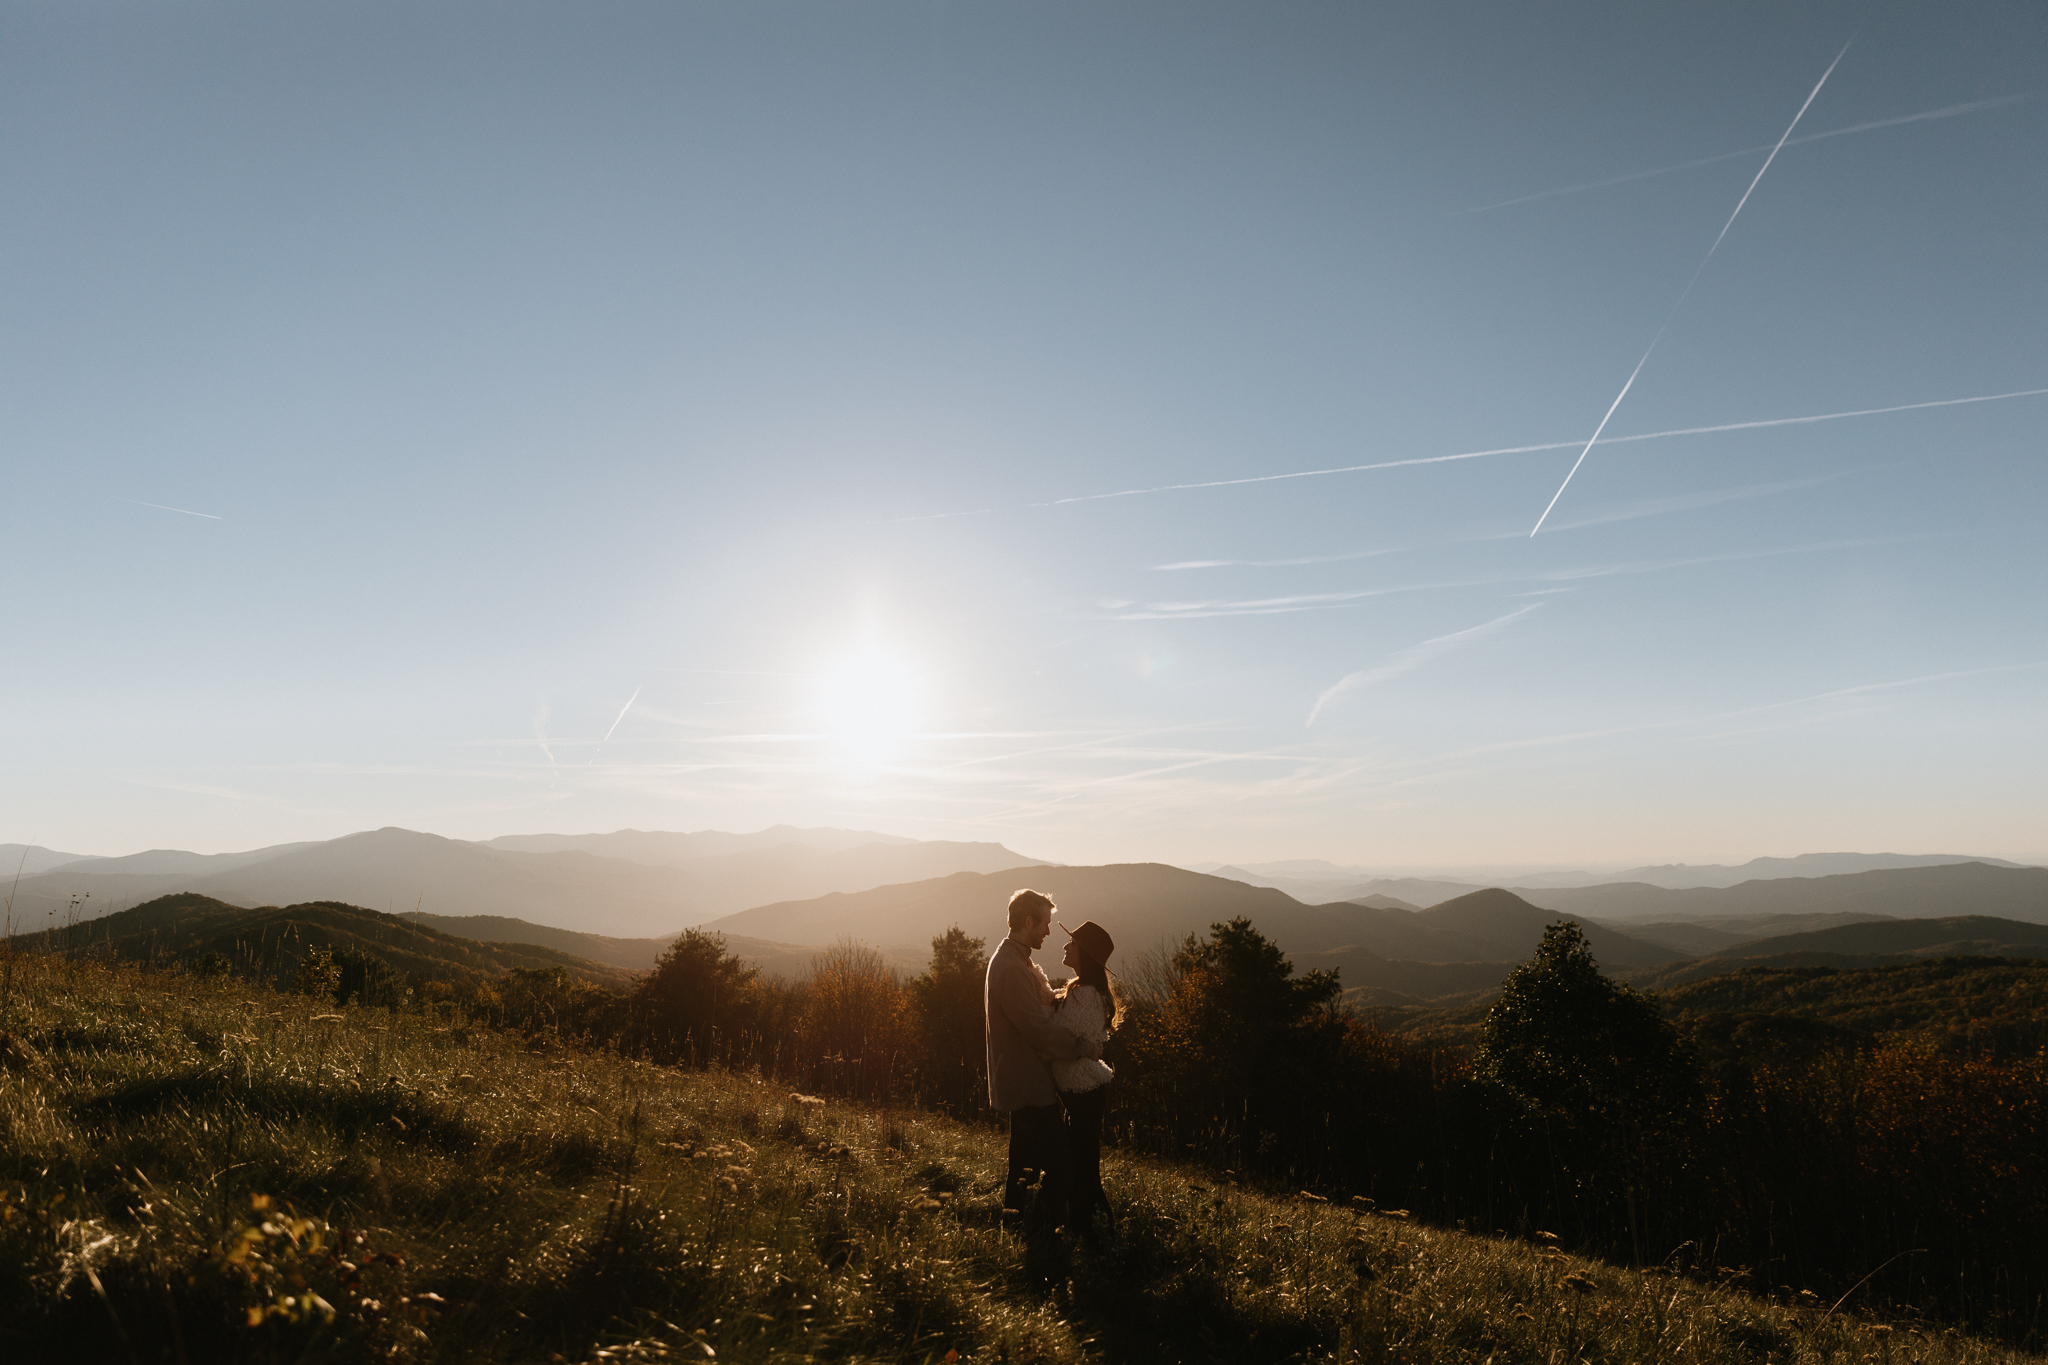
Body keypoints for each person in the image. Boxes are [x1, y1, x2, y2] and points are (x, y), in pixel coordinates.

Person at [984, 888, 1101, 1235]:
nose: (1048, 933)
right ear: (1028, 921)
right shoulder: (1012, 968)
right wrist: (1082, 1046)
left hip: (1021, 1080)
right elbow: (1038, 1029)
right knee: (1063, 1168)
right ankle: (1039, 1234)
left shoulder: (1015, 961)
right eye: (1044, 925)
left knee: (1023, 1168)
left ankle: (1016, 1230)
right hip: (1028, 1083)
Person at [1048, 919, 1120, 1241]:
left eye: (1072, 943)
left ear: (1085, 954)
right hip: (1084, 1093)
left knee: (1083, 1170)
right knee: (1082, 1167)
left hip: (1084, 1093)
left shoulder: (1085, 996)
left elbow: (1057, 1040)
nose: (1066, 946)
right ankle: (1092, 1234)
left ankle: (1100, 1237)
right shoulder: (1083, 991)